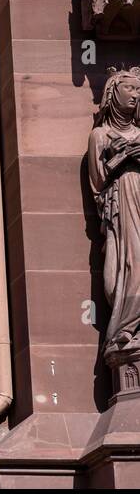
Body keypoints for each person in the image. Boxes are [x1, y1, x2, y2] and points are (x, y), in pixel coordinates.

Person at [89, 66, 140, 361]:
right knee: (120, 272)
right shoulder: (100, 135)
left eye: (138, 91)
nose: (135, 95)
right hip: (120, 211)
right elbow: (98, 184)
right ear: (113, 92)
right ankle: (123, 326)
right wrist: (120, 158)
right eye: (130, 89)